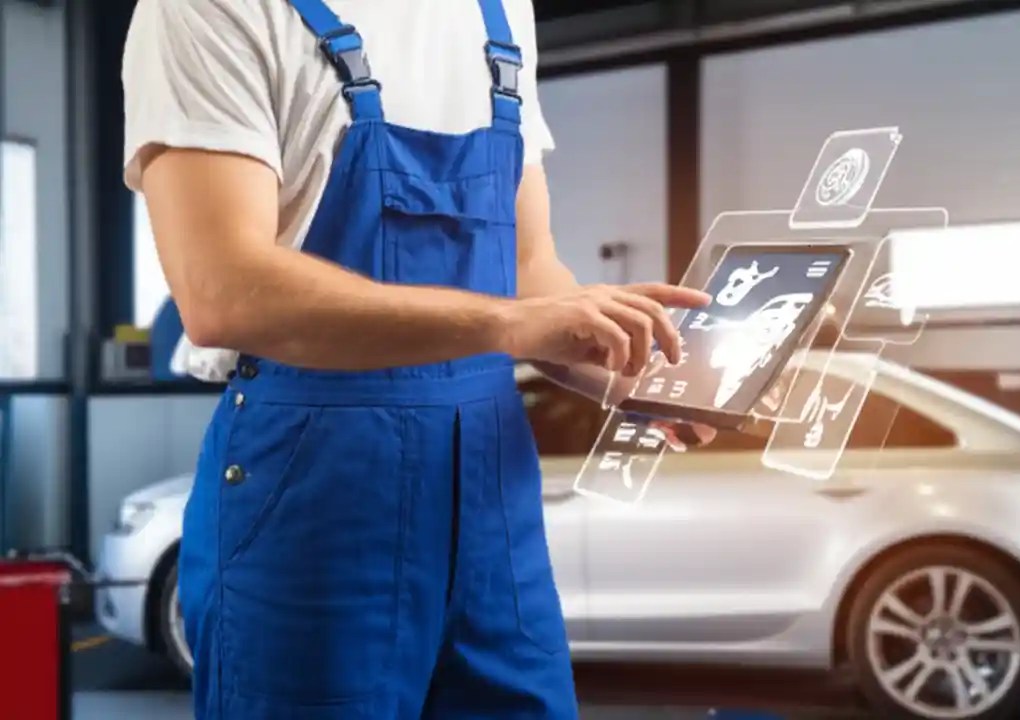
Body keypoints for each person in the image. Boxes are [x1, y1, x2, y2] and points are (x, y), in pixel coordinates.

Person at [123, 1, 711, 717]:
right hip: (317, 497)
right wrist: (514, 324)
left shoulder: (499, 14)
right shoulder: (213, 7)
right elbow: (224, 292)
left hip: (495, 500)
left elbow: (529, 271)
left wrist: (649, 372)